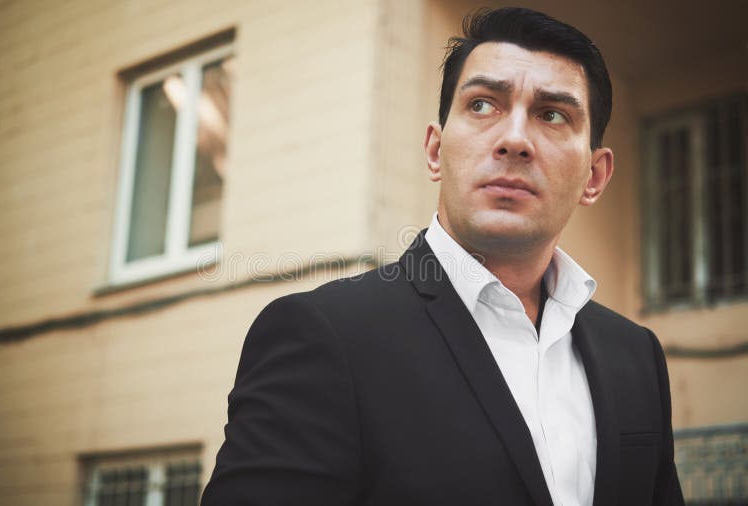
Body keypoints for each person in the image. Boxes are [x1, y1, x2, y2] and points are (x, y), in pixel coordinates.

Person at [201, 7, 684, 506]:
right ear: (435, 150)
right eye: (482, 105)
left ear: (595, 176)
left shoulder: (637, 356)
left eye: (552, 114)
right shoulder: (324, 336)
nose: (515, 139)